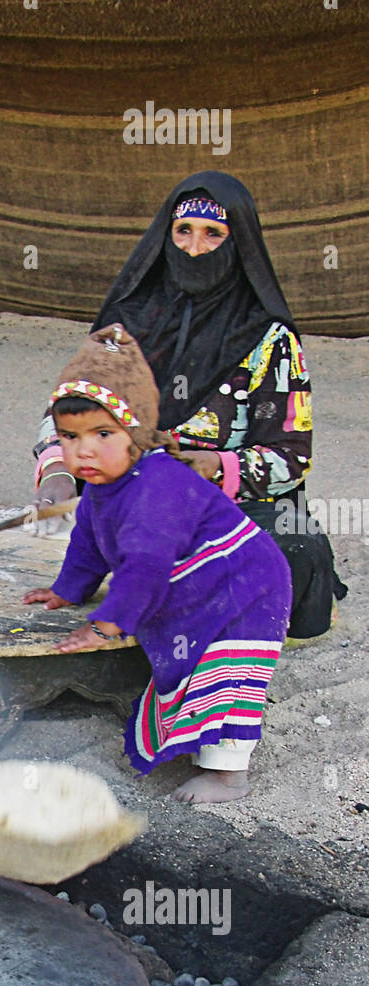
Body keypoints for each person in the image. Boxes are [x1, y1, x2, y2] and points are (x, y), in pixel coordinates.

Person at [31, 171, 345, 639]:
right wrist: (58, 473)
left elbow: (291, 458)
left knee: (294, 549)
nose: (194, 249)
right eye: (183, 231)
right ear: (166, 235)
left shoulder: (268, 338)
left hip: (229, 505)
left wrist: (215, 464)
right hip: (132, 494)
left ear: (237, 242)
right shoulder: (127, 323)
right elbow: (69, 411)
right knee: (101, 528)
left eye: (213, 234)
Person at [24, 324, 291, 804]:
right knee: (187, 670)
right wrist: (69, 589)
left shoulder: (157, 487)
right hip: (199, 585)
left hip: (244, 588)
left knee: (228, 675)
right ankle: (196, 744)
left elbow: (143, 569)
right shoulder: (104, 486)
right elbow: (89, 539)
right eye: (69, 436)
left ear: (138, 436)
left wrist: (105, 626)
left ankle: (230, 775)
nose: (83, 450)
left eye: (103, 433)